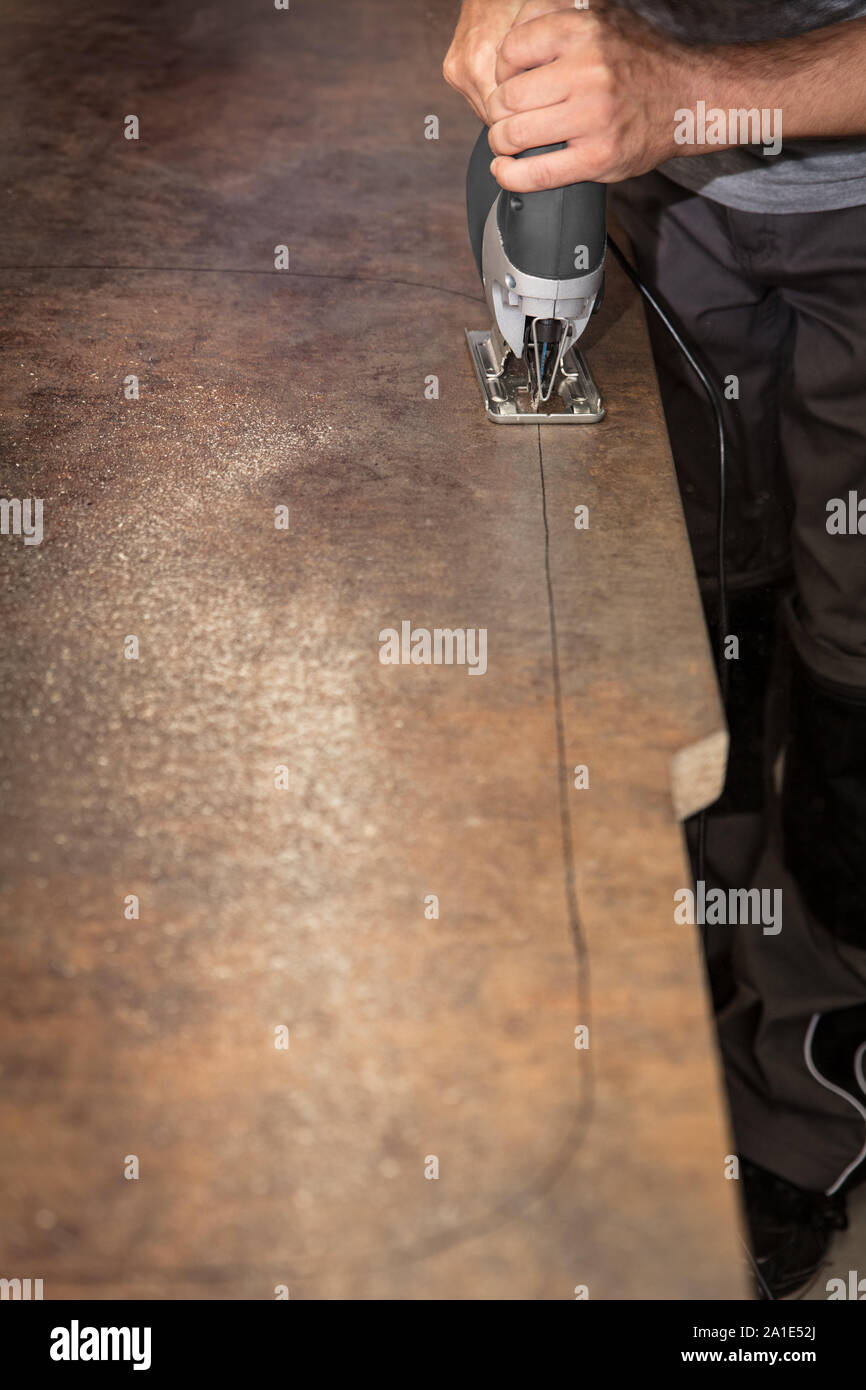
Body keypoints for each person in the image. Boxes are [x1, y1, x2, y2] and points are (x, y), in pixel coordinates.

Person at [444, 0, 866, 1298]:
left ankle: (802, 1101)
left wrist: (683, 94)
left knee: (852, 681)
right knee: (687, 618)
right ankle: (674, 1003)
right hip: (655, 196)